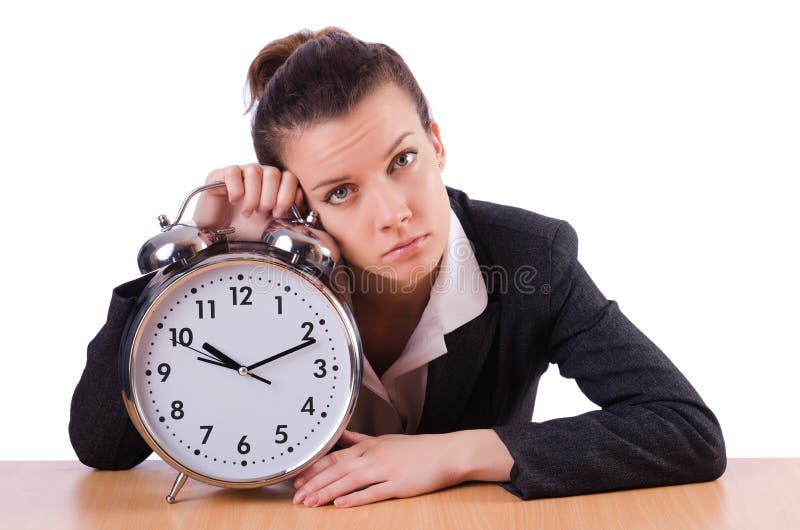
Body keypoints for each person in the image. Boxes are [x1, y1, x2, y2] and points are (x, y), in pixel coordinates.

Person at [69, 26, 726, 508]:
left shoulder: (530, 259)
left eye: (403, 160)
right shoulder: (260, 279)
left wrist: (455, 452)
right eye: (340, 192)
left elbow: (684, 428)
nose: (393, 213)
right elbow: (103, 444)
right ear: (303, 204)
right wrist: (201, 254)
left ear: (436, 143)